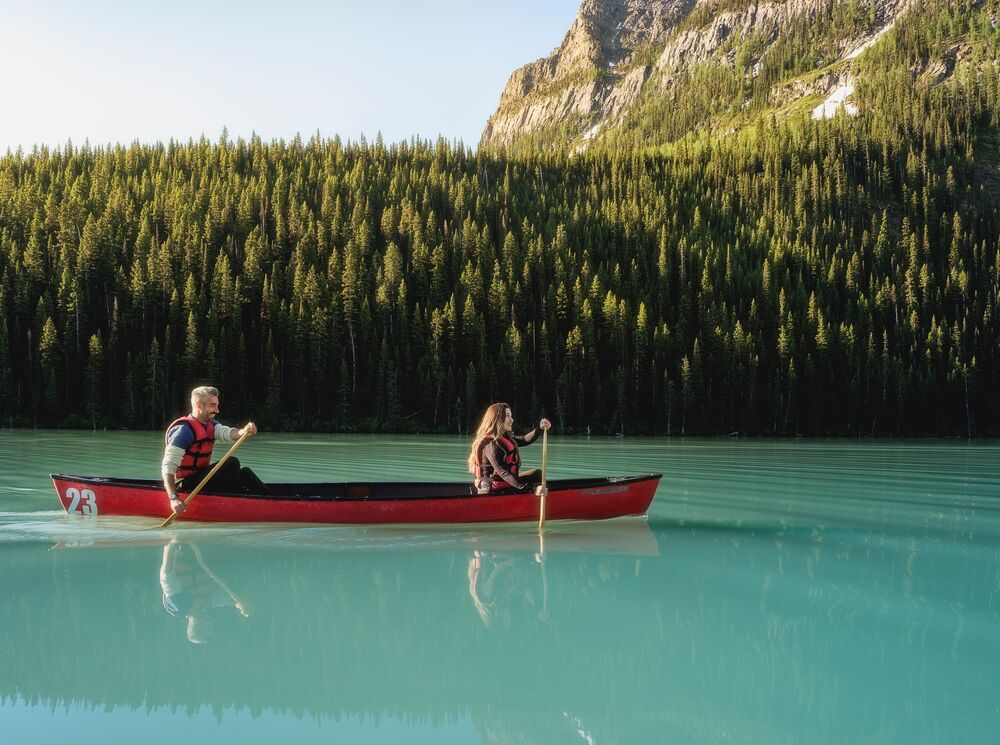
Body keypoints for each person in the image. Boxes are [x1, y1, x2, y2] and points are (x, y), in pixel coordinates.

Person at [162, 386, 262, 514]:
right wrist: (173, 498)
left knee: (245, 473)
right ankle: (240, 502)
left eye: (217, 405)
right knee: (232, 463)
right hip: (184, 485)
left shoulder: (212, 425)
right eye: (213, 405)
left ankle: (269, 499)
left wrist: (244, 431)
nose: (217, 410)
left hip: (201, 480)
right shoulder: (183, 431)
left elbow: (226, 433)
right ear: (199, 405)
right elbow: (168, 467)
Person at [468, 402, 551, 495]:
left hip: (505, 482)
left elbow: (525, 439)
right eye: (507, 416)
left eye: (511, 416)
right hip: (493, 489)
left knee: (537, 474)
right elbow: (504, 473)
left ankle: (547, 494)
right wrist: (533, 489)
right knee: (537, 483)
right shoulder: (491, 444)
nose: (512, 420)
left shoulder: (504, 438)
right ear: (497, 418)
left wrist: (540, 428)